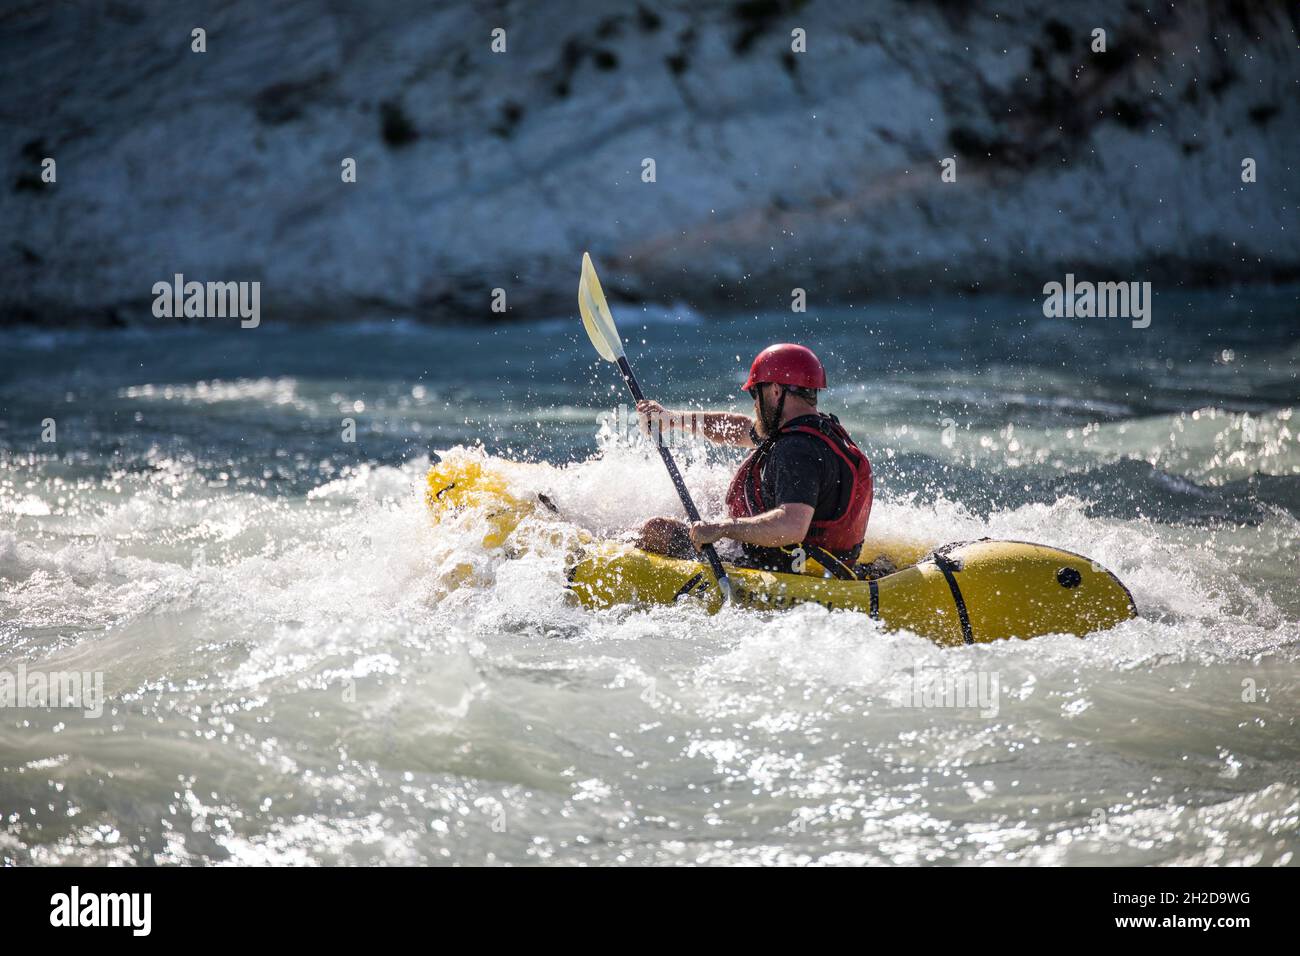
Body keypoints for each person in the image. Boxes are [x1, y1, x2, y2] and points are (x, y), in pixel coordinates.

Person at [634, 343, 875, 579]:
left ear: (776, 391)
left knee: (656, 530)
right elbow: (739, 429)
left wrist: (722, 528)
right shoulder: (818, 429)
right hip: (821, 565)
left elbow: (791, 526)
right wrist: (673, 419)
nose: (755, 404)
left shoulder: (796, 450)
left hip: (786, 571)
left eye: (755, 393)